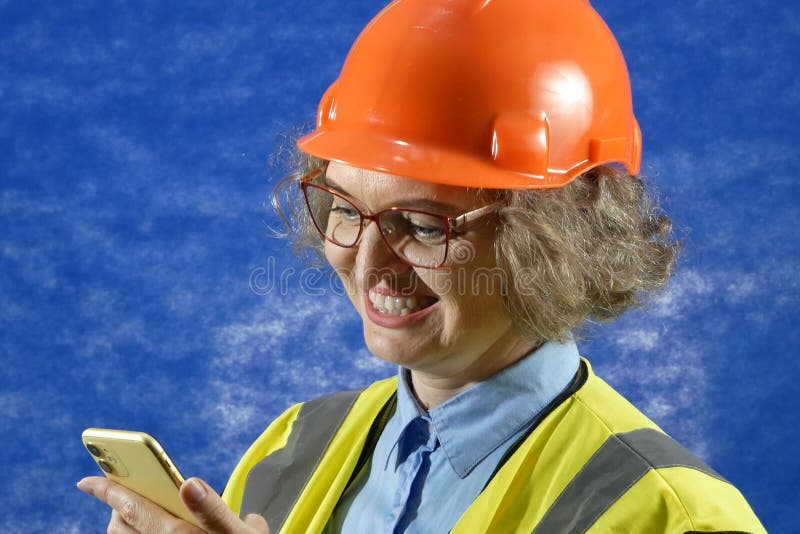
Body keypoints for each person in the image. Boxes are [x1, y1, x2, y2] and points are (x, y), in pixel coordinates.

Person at [78, 0, 765, 532]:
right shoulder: (290, 453)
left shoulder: (673, 516)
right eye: (344, 207)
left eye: (423, 225)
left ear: (559, 236)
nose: (371, 262)